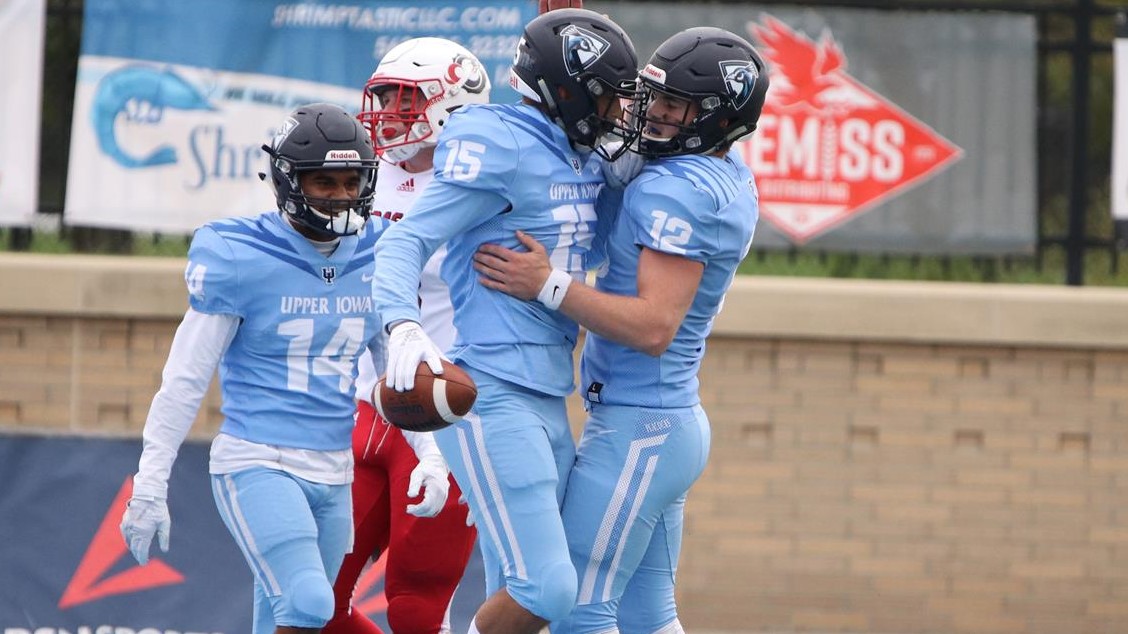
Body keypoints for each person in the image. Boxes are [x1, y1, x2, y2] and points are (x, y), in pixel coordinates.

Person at [471, 27, 770, 633]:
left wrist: (548, 284)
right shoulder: (723, 172)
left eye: (675, 105)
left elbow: (655, 325)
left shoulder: (674, 189)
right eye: (653, 97)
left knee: (579, 611)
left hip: (642, 425)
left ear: (720, 118)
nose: (654, 113)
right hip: (665, 419)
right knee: (648, 618)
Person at [370, 9, 639, 634]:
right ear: (567, 92)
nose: (616, 112)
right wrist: (402, 324)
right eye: (605, 97)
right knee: (549, 589)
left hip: (547, 392)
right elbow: (406, 241)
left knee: (519, 588)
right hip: (492, 391)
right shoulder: (501, 141)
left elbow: (594, 249)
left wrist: (624, 179)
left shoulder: (577, 154)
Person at [119, 103, 387, 634]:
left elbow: (394, 362)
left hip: (335, 469)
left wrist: (429, 452)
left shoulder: (378, 250)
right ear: (289, 181)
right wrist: (150, 480)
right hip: (259, 459)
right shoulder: (240, 253)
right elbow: (186, 377)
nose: (341, 195)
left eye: (350, 181)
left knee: (290, 616)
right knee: (310, 601)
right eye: (324, 181)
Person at [322, 37, 490, 634]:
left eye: (405, 97)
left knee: (417, 610)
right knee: (308, 603)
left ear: (452, 103)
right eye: (385, 96)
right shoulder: (358, 174)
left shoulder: (487, 182)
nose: (388, 112)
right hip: (360, 403)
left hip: (441, 410)